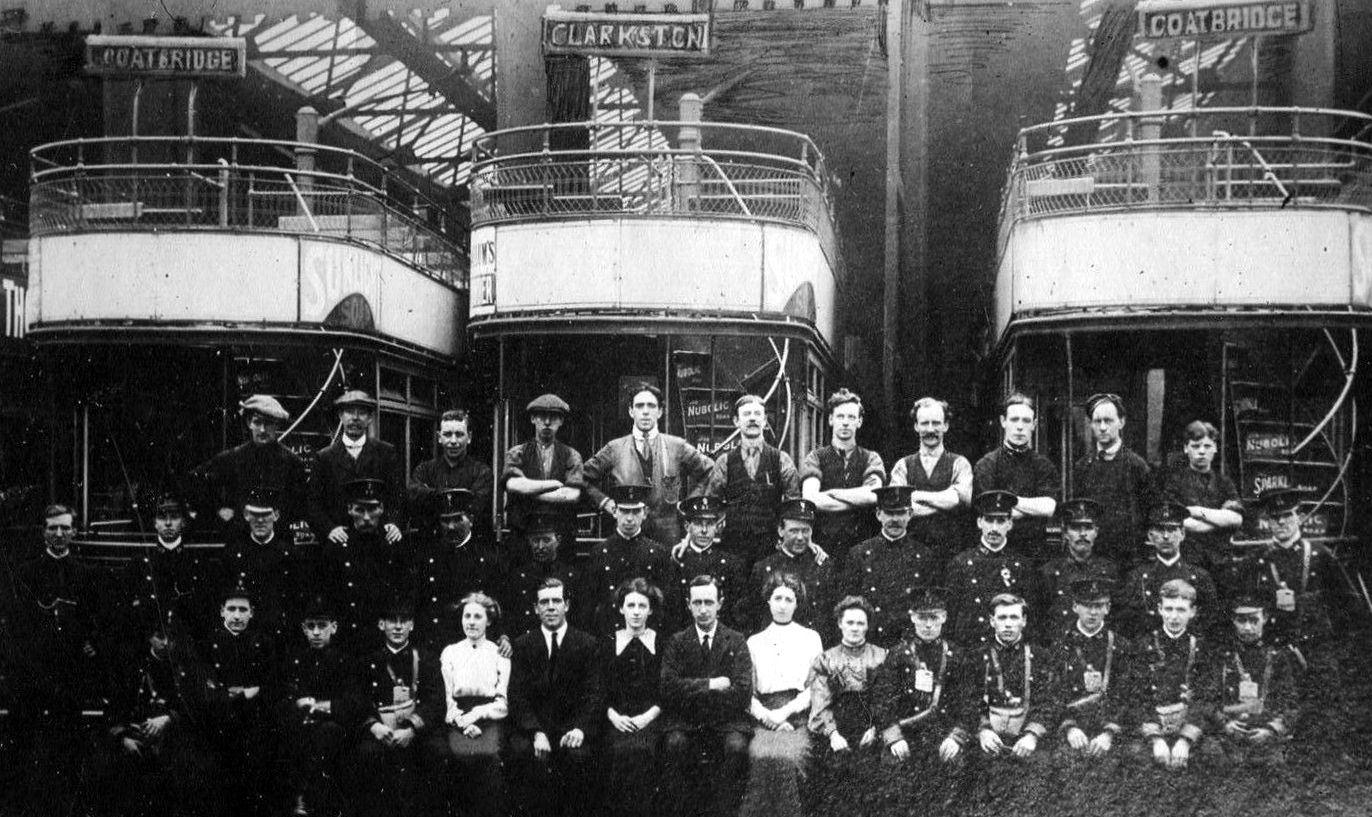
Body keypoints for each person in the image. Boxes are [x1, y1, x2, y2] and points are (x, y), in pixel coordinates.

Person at [87, 614, 223, 817]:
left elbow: (198, 709)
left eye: (171, 637)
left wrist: (168, 719)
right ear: (150, 637)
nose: (166, 642)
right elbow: (115, 710)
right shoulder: (134, 670)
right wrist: (123, 738)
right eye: (160, 636)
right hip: (136, 745)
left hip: (174, 748)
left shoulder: (185, 670)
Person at [507, 578, 602, 817]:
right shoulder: (523, 644)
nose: (550, 607)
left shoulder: (587, 644)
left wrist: (580, 728)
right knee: (520, 755)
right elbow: (516, 696)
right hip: (535, 729)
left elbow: (595, 693)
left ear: (567, 605)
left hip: (572, 729)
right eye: (544, 602)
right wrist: (535, 732)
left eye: (556, 601)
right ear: (536, 608)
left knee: (579, 759)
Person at [660, 575, 753, 817]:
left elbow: (742, 692)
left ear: (720, 603)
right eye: (697, 602)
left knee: (736, 748)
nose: (703, 610)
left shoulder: (736, 640)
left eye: (709, 602)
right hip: (686, 719)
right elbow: (669, 689)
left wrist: (691, 690)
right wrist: (712, 684)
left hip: (727, 720)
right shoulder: (677, 641)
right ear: (688, 604)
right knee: (675, 744)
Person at [582, 383, 714, 545]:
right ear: (631, 411)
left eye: (651, 406)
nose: (645, 411)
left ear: (659, 412)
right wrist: (605, 503)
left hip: (667, 536)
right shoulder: (614, 448)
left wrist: (689, 504)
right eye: (639, 406)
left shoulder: (677, 446)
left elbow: (710, 472)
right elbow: (582, 478)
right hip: (627, 534)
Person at [740, 573, 823, 817]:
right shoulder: (754, 642)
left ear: (797, 603)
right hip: (763, 718)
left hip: (799, 716)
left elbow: (816, 686)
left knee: (789, 757)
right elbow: (747, 692)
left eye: (789, 599)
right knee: (760, 754)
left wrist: (785, 713)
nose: (783, 605)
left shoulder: (810, 637)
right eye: (778, 598)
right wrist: (767, 717)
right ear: (768, 602)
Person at [422, 591, 510, 817]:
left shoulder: (499, 653)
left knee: (489, 759)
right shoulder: (450, 652)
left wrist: (477, 714)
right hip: (457, 718)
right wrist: (463, 722)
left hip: (490, 718)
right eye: (467, 616)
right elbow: (448, 698)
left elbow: (502, 702)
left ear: (489, 620)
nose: (471, 622)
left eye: (477, 617)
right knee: (454, 759)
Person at [278, 596, 361, 816]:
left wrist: (321, 706)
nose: (316, 632)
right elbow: (282, 698)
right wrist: (298, 703)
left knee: (327, 736)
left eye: (322, 626)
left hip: (334, 727)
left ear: (333, 628)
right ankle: (298, 800)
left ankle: (311, 799)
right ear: (304, 629)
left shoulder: (345, 662)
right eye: (311, 626)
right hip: (300, 725)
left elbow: (353, 703)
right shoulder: (293, 661)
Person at [203, 583, 280, 815]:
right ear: (222, 611)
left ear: (252, 613)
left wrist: (249, 693)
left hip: (254, 721)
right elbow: (204, 686)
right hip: (218, 722)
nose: (237, 616)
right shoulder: (207, 644)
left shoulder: (263, 643)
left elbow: (273, 684)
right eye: (232, 609)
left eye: (243, 610)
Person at [352, 596, 431, 817]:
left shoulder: (424, 658)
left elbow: (434, 700)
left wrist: (412, 729)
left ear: (411, 625)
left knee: (433, 755)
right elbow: (358, 700)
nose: (397, 626)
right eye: (391, 621)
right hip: (380, 731)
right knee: (367, 757)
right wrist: (374, 727)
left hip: (413, 732)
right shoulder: (367, 661)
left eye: (403, 621)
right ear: (381, 625)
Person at [1125, 578, 1213, 771]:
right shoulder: (1142, 645)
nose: (1174, 617)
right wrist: (1156, 739)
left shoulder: (1202, 648)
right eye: (1169, 609)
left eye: (1181, 610)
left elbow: (1206, 697)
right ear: (1159, 609)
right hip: (1152, 727)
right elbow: (1135, 696)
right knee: (1136, 758)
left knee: (1212, 756)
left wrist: (1186, 739)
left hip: (1189, 728)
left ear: (1193, 612)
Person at [870, 587, 966, 765]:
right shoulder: (897, 654)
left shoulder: (957, 655)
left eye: (934, 618)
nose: (928, 625)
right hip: (905, 733)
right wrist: (894, 737)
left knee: (956, 766)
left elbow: (969, 702)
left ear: (944, 617)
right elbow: (882, 699)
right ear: (913, 617)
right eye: (922, 618)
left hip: (944, 735)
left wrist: (956, 737)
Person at [704, 394, 801, 564]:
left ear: (764, 421)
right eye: (747, 414)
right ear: (736, 421)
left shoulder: (781, 460)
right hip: (733, 547)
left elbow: (793, 506)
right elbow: (711, 504)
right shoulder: (724, 462)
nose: (752, 419)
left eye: (757, 414)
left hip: (770, 548)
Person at [843, 485, 943, 648]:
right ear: (878, 514)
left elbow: (930, 606)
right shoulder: (859, 554)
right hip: (870, 643)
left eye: (901, 513)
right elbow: (849, 604)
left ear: (910, 514)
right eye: (889, 513)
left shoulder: (925, 556)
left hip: (910, 645)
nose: (895, 519)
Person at [1204, 594, 1297, 766]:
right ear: (1233, 620)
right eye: (1241, 621)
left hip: (1265, 737)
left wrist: (1271, 730)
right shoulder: (1221, 656)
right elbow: (1207, 700)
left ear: (1265, 618)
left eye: (1254, 621)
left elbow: (1290, 703)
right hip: (1228, 737)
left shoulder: (1278, 657)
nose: (1247, 627)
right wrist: (1225, 724)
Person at [961, 593, 1055, 762]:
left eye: (1014, 617)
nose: (1008, 624)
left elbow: (1049, 701)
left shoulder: (1041, 657)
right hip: (987, 740)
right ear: (992, 621)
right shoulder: (977, 657)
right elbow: (968, 701)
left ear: (1024, 621)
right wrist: (983, 731)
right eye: (1002, 618)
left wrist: (1032, 735)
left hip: (1026, 741)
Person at [600, 578, 666, 817]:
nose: (636, 612)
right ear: (620, 608)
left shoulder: (662, 642)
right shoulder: (608, 642)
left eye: (642, 606)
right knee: (616, 753)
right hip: (615, 718)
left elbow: (666, 689)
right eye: (630, 606)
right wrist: (614, 717)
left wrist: (646, 718)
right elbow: (599, 688)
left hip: (652, 717)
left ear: (650, 609)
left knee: (644, 752)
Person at [321, 477, 413, 650]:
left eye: (372, 509)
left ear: (382, 509)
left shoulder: (393, 542)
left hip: (384, 638)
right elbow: (327, 593)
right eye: (359, 510)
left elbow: (406, 589)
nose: (366, 517)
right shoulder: (338, 544)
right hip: (347, 636)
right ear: (349, 509)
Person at [412, 488, 508, 652]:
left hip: (473, 644)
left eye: (457, 519)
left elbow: (500, 600)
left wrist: (503, 635)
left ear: (470, 519)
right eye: (445, 520)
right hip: (434, 643)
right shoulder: (427, 557)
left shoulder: (488, 557)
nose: (450, 527)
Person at [192, 394, 308, 529]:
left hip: (277, 540)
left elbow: (303, 504)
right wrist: (218, 509)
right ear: (249, 423)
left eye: (269, 423)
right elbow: (194, 480)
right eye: (257, 422)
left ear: (277, 425)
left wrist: (282, 515)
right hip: (240, 537)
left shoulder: (292, 462)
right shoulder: (233, 457)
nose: (263, 429)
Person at [308, 390, 406, 546]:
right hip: (340, 543)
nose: (355, 418)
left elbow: (398, 496)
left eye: (361, 413)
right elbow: (313, 503)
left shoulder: (386, 453)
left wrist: (394, 523)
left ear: (369, 419)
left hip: (378, 541)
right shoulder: (324, 457)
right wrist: (329, 529)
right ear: (340, 416)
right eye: (349, 412)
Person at [800, 388, 884, 568]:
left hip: (863, 545)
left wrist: (831, 493)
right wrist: (857, 499)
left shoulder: (871, 458)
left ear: (859, 422)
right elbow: (810, 499)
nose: (845, 423)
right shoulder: (815, 458)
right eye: (840, 417)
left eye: (851, 417)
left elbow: (873, 495)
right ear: (831, 419)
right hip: (823, 547)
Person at [972, 392, 1059, 562]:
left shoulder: (1044, 466)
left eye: (1026, 421)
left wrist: (1010, 501)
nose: (1020, 427)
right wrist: (1033, 509)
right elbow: (990, 510)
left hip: (1034, 553)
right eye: (1014, 420)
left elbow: (1048, 507)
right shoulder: (987, 465)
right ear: (1003, 421)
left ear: (1034, 425)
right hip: (994, 553)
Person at [945, 490, 1039, 647]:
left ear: (1010, 524)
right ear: (979, 522)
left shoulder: (1022, 566)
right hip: (972, 650)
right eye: (989, 520)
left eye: (1001, 521)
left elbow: (1030, 620)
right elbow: (951, 618)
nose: (994, 528)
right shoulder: (960, 564)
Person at [1071, 393, 1153, 565]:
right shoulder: (1083, 467)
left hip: (1129, 559)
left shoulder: (1137, 466)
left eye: (1108, 421)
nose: (1102, 427)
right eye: (1097, 421)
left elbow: (1147, 514)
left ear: (1121, 422)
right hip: (1093, 558)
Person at [1049, 577, 1125, 760]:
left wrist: (1109, 733)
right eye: (1086, 605)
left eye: (1099, 606)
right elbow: (1052, 694)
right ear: (1075, 607)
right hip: (1071, 728)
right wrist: (1069, 728)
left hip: (1109, 729)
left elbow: (1127, 694)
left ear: (1107, 608)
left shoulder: (1121, 646)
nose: (1092, 612)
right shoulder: (1060, 645)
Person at [888, 396, 973, 560]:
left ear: (946, 426)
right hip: (910, 554)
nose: (930, 429)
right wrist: (946, 502)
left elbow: (961, 499)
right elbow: (899, 507)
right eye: (925, 423)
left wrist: (916, 496)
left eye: (936, 423)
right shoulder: (902, 465)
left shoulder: (960, 464)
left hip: (951, 553)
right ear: (916, 426)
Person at [1117, 502, 1219, 638]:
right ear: (1150, 536)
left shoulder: (1200, 577)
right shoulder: (1137, 577)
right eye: (1160, 530)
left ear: (1182, 534)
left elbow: (1209, 623)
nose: (1166, 536)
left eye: (1171, 530)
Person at [126, 491, 216, 643]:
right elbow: (132, 611)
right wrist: (150, 637)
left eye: (174, 517)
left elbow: (202, 612)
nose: (168, 523)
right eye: (162, 517)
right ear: (155, 523)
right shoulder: (140, 562)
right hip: (149, 640)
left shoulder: (197, 562)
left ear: (183, 522)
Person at [584, 484, 673, 636]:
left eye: (636, 511)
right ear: (614, 511)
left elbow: (666, 605)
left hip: (648, 634)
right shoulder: (599, 553)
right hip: (608, 634)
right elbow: (588, 604)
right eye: (624, 511)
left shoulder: (658, 553)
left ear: (645, 513)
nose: (630, 518)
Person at [1156, 420, 1244, 573]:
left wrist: (1197, 511)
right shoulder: (1174, 482)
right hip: (1188, 560)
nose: (1201, 451)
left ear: (1215, 448)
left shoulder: (1224, 482)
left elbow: (1236, 519)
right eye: (1195, 446)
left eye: (1207, 446)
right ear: (1185, 448)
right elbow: (1180, 522)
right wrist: (1219, 523)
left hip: (1221, 560)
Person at [808, 596, 889, 754]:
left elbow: (885, 699)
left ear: (867, 626)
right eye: (850, 623)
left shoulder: (880, 656)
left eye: (860, 623)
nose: (855, 628)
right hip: (835, 731)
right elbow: (820, 702)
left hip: (873, 730)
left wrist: (875, 729)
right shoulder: (826, 659)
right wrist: (833, 734)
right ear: (840, 624)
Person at [219, 484, 299, 643]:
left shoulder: (290, 554)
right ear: (246, 515)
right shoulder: (233, 553)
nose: (260, 520)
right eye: (255, 514)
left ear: (276, 515)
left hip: (280, 633)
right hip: (244, 635)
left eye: (266, 514)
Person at [501, 393, 585, 545]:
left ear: (561, 421)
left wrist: (528, 492)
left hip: (559, 536)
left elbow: (572, 494)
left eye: (553, 417)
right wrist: (553, 484)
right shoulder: (517, 453)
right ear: (533, 419)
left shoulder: (571, 455)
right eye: (541, 416)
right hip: (523, 535)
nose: (547, 422)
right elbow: (513, 484)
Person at [749, 499, 836, 634]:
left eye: (805, 531)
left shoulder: (823, 565)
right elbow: (753, 617)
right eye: (793, 531)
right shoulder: (763, 568)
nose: (800, 537)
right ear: (781, 531)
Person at [1039, 498, 1119, 643]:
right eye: (1076, 528)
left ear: (1096, 532)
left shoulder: (1110, 571)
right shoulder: (1049, 572)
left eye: (1088, 528)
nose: (1082, 534)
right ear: (1065, 533)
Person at [408, 409, 494, 533]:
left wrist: (432, 495)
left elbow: (476, 507)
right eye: (447, 434)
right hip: (431, 544)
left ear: (469, 437)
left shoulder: (482, 472)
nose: (453, 441)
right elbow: (414, 497)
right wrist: (460, 497)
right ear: (439, 437)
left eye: (459, 434)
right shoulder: (424, 470)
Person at [669, 495, 748, 630]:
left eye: (710, 524)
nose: (704, 530)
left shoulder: (731, 564)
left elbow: (737, 613)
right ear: (687, 526)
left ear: (717, 527)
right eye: (699, 523)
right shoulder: (676, 562)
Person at [504, 513, 581, 640]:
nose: (540, 547)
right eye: (535, 541)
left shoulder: (572, 576)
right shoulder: (518, 577)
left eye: (546, 540)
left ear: (558, 540)